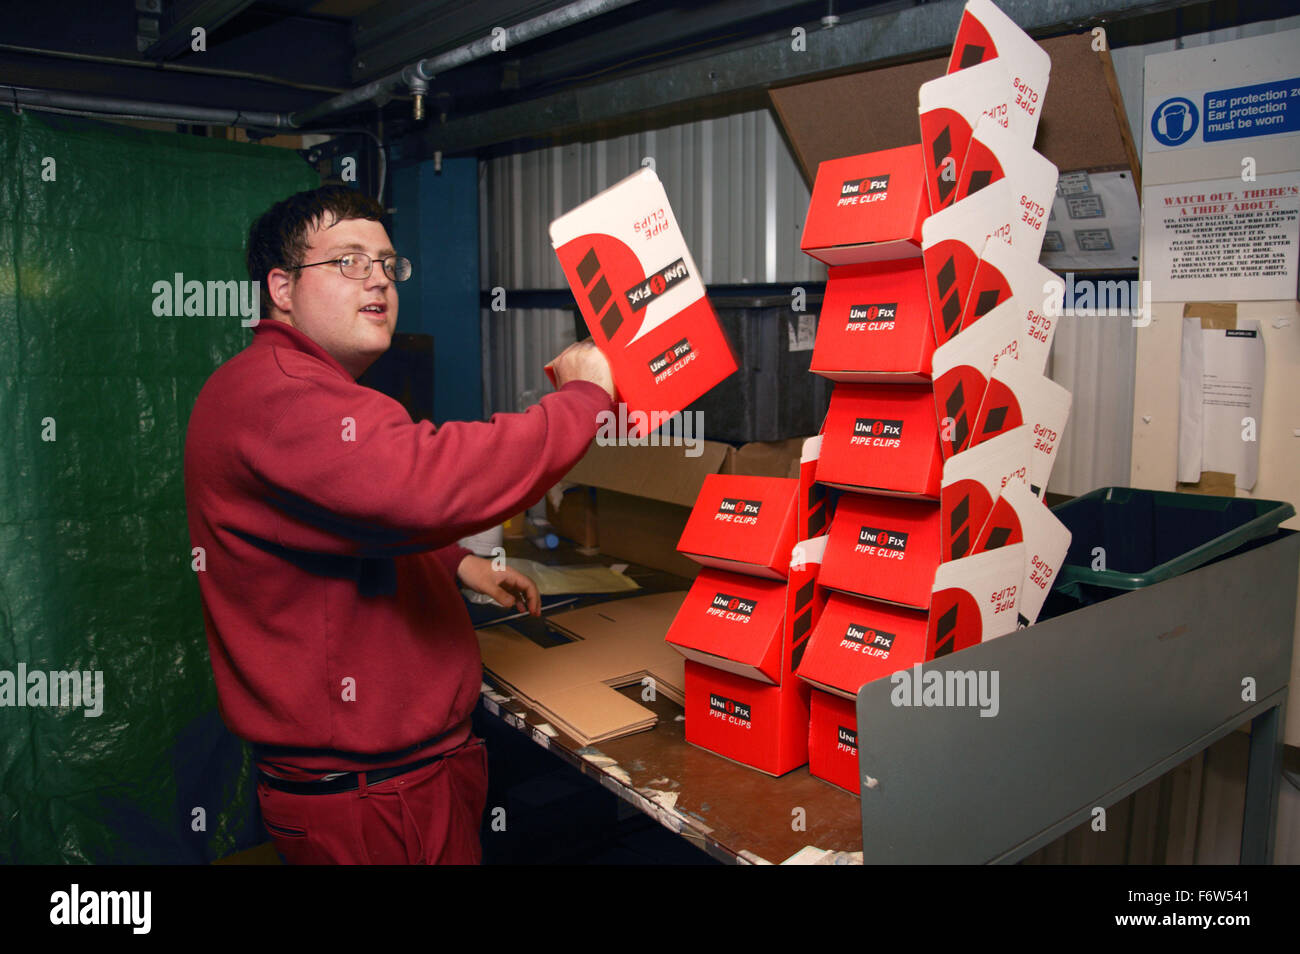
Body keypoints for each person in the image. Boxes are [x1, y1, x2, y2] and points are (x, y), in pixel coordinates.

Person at [183, 185, 615, 864]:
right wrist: (585, 399)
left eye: (388, 263)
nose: (379, 278)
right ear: (282, 287)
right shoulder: (280, 394)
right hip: (374, 804)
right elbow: (423, 485)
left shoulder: (305, 389)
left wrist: (456, 564)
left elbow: (352, 517)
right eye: (349, 261)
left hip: (400, 782)